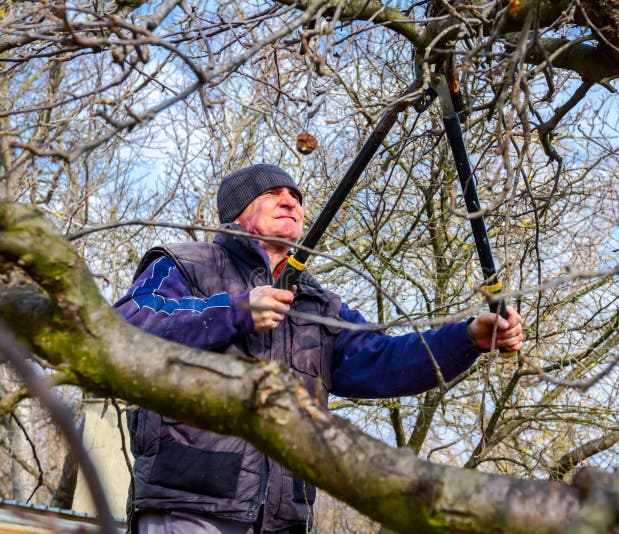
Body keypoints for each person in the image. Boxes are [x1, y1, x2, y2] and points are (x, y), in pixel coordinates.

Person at [114, 163, 524, 533]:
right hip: (192, 507)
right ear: (238, 213)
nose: (289, 200)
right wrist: (236, 312)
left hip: (284, 521)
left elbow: (385, 360)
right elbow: (128, 326)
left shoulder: (317, 304)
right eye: (272, 194)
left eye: (295, 196)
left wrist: (468, 336)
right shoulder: (187, 263)